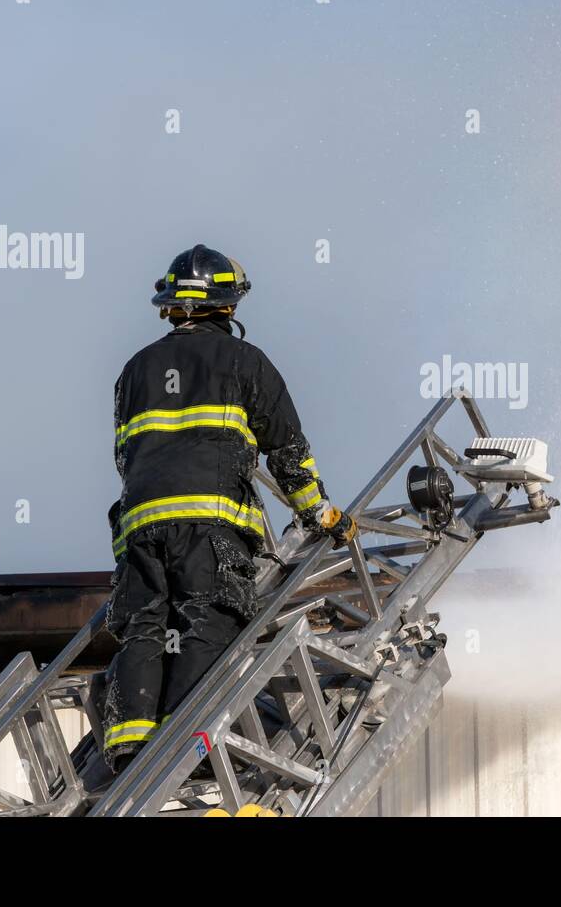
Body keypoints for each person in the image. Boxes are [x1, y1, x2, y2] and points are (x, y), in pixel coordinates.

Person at [101, 243, 356, 773]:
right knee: (208, 621)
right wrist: (320, 514)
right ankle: (180, 741)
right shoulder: (246, 362)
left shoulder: (135, 370)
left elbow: (125, 456)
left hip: (140, 527)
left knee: (143, 625)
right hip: (208, 527)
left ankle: (129, 738)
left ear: (171, 305)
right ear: (228, 306)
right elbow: (288, 451)